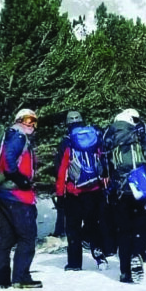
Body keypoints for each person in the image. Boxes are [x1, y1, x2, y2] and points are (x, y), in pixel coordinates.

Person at [103, 108, 146, 283]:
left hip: (119, 191)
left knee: (123, 230)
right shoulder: (139, 135)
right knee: (139, 226)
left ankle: (124, 271)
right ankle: (137, 253)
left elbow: (103, 168)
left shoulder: (109, 138)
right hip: (139, 188)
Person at [0, 108, 41, 289]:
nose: (31, 125)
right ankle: (21, 277)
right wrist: (22, 180)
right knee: (27, 236)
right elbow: (8, 160)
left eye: (34, 121)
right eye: (27, 120)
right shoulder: (18, 137)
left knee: (5, 237)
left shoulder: (8, 135)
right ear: (19, 120)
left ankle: (1, 278)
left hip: (5, 193)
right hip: (17, 196)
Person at [54, 110, 108, 271]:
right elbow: (102, 160)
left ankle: (74, 263)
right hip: (95, 188)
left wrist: (60, 194)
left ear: (67, 124)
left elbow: (62, 169)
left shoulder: (67, 141)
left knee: (73, 228)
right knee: (94, 225)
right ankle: (100, 257)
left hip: (74, 192)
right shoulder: (95, 136)